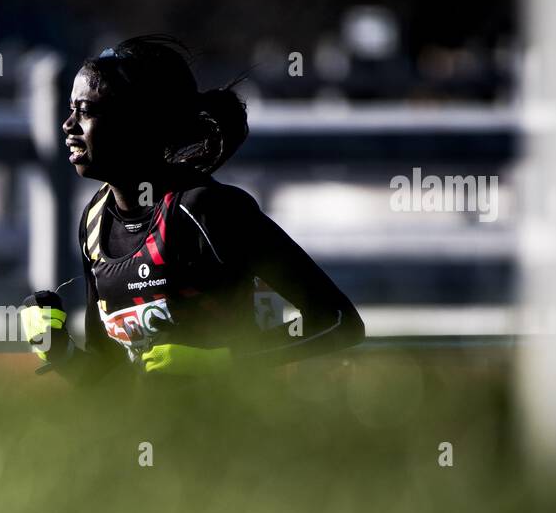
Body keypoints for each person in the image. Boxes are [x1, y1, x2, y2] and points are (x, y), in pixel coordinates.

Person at [21, 34, 364, 384]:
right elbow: (111, 382)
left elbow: (338, 321)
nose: (68, 125)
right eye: (70, 109)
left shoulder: (206, 210)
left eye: (86, 111)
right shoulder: (95, 222)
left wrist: (221, 359)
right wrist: (57, 349)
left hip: (240, 435)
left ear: (138, 122)